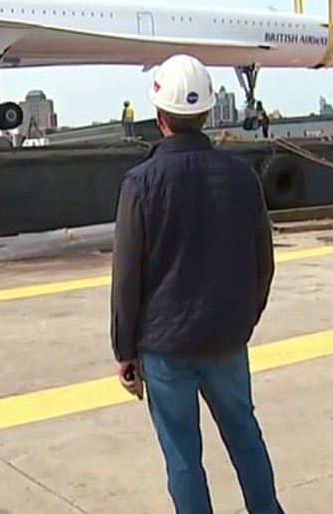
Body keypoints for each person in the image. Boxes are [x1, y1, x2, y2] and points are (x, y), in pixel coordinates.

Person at [110, 54, 282, 514]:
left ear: (159, 116)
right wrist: (245, 319)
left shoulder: (139, 183)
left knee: (183, 459)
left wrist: (124, 349)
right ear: (205, 114)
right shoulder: (242, 177)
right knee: (245, 437)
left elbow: (127, 276)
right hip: (226, 338)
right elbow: (263, 261)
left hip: (165, 347)